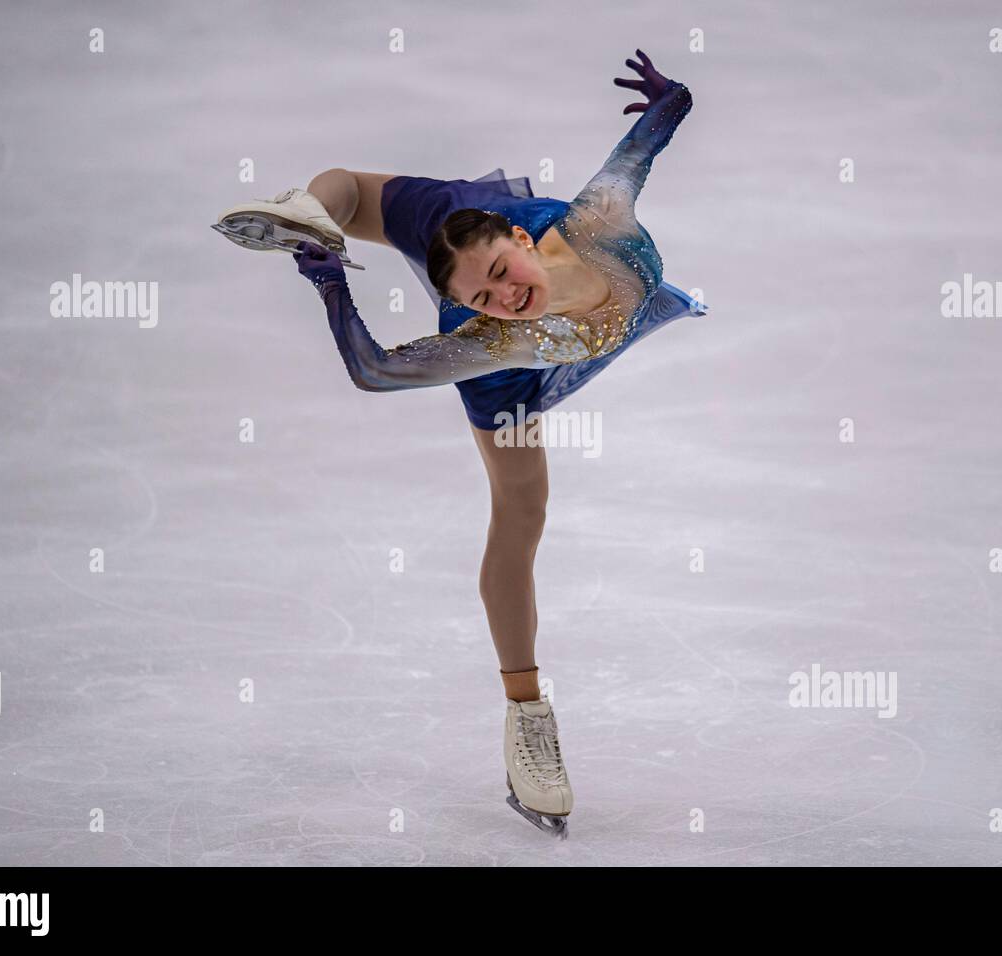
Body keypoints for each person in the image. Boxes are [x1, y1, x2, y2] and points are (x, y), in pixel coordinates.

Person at [214, 49, 704, 838]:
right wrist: (333, 288)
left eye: (505, 273)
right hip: (523, 359)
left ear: (520, 237)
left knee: (415, 205)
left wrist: (669, 95)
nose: (508, 294)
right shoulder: (492, 339)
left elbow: (656, 130)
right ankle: (527, 718)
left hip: (483, 229)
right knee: (522, 509)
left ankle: (324, 215)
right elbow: (375, 372)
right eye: (485, 297)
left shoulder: (597, 223)